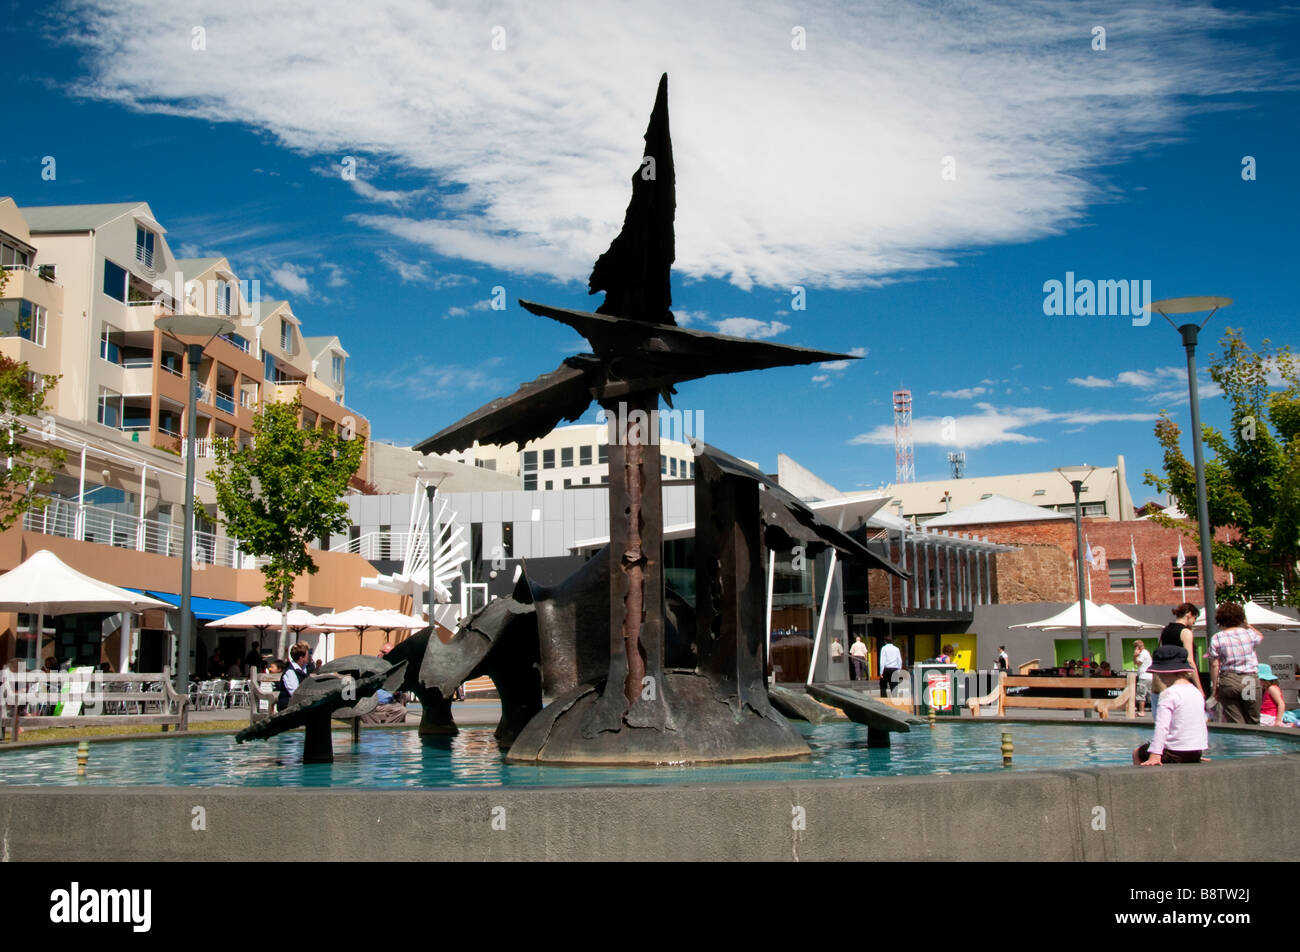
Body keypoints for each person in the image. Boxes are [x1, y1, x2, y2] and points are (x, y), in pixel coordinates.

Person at [1132, 645, 1209, 765]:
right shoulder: (1196, 692)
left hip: (1174, 753)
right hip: (1195, 752)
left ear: (1165, 672)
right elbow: (1201, 722)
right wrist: (1197, 751)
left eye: (1159, 674)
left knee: (1136, 752)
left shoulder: (1168, 694)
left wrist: (1155, 755)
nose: (1158, 677)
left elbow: (1162, 727)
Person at [1209, 602, 1262, 724]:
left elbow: (1214, 664)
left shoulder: (1217, 637)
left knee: (1236, 724)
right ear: (1240, 617)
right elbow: (1260, 636)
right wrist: (1247, 624)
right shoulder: (1249, 634)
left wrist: (1215, 688)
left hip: (1229, 680)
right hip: (1248, 679)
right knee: (1253, 721)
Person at [361, 642, 409, 725]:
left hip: (388, 703)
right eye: (383, 652)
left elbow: (399, 686)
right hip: (370, 702)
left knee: (402, 710)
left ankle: (386, 729)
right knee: (363, 710)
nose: (383, 654)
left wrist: (398, 692)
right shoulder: (370, 667)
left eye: (387, 653)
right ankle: (374, 729)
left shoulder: (394, 668)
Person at [276, 643, 311, 711]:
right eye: (307, 655)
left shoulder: (304, 669)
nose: (309, 656)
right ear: (301, 658)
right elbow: (295, 693)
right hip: (288, 704)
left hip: (299, 702)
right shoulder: (290, 672)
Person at [1133, 640, 1153, 716]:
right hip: (1149, 676)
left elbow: (1137, 663)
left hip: (1144, 677)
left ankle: (1141, 711)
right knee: (1150, 695)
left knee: (1141, 694)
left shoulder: (1143, 654)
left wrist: (1135, 655)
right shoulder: (1146, 652)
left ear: (1137, 647)